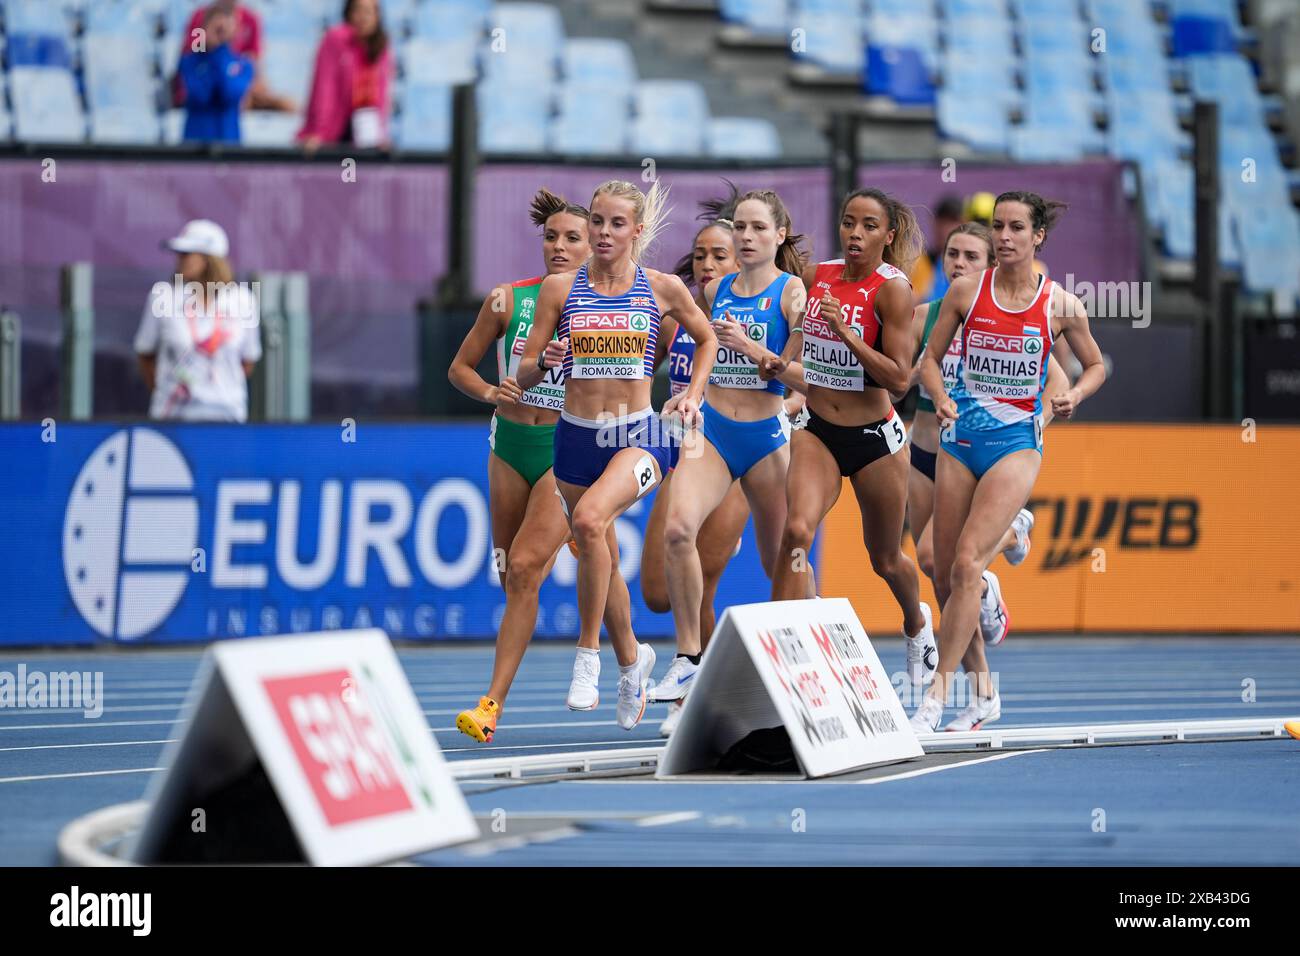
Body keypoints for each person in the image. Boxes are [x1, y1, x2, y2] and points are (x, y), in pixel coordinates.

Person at [512, 180, 717, 731]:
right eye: (598, 222)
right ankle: (633, 661)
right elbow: (524, 371)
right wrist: (548, 359)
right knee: (590, 542)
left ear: (638, 231)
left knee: (587, 520)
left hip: (636, 434)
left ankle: (588, 658)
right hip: (577, 435)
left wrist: (693, 392)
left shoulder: (663, 287)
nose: (604, 233)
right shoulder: (560, 290)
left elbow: (707, 340)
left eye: (616, 224)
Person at [910, 192, 1106, 732]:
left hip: (1016, 442)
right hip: (959, 440)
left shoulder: (1059, 304)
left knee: (968, 562)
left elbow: (1094, 367)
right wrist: (941, 395)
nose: (1004, 236)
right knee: (948, 577)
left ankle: (933, 698)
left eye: (1017, 227)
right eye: (998, 226)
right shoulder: (966, 292)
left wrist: (1074, 397)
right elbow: (929, 360)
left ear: (1038, 236)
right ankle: (982, 694)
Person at [763, 187, 937, 687]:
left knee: (885, 558)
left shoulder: (893, 291)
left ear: (889, 234)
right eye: (848, 222)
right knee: (796, 531)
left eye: (868, 226)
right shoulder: (819, 277)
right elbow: (799, 334)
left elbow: (900, 380)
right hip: (816, 428)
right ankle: (779, 649)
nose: (855, 234)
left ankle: (916, 623)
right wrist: (785, 358)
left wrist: (848, 335)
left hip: (875, 439)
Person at [653, 189, 811, 710]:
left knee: (785, 559)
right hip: (714, 431)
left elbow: (815, 381)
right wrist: (691, 394)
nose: (745, 237)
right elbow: (699, 350)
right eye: (739, 227)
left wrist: (754, 350)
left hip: (767, 439)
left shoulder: (793, 295)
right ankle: (688, 661)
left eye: (757, 228)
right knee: (678, 531)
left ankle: (808, 655)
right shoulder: (716, 288)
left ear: (779, 235)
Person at [449, 189, 590, 743]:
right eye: (551, 237)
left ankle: (491, 705)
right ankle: (633, 649)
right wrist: (490, 390)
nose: (558, 246)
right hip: (509, 444)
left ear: (596, 243)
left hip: (567, 449)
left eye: (571, 237)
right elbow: (459, 367)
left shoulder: (612, 302)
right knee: (511, 575)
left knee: (529, 567)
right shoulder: (508, 299)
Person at [639, 187, 751, 737]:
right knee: (659, 594)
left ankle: (695, 697)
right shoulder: (674, 315)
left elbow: (793, 378)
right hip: (679, 456)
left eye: (720, 256)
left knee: (703, 579)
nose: (707, 265)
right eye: (701, 255)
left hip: (731, 460)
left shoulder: (756, 311)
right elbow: (635, 377)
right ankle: (703, 675)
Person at [134, 220, 260, 422]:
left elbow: (247, 361)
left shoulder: (243, 300)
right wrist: (170, 390)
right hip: (173, 417)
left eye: (186, 254)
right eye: (179, 254)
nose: (178, 260)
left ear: (208, 259)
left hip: (228, 417)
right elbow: (145, 355)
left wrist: (216, 390)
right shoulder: (162, 296)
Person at [298, 0, 392, 151]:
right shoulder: (335, 39)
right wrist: (317, 131)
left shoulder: (381, 46)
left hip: (366, 132)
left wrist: (380, 134)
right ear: (348, 13)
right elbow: (324, 88)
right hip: (334, 129)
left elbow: (381, 95)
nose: (364, 17)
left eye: (369, 12)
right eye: (358, 11)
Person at [173, 1, 296, 112]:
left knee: (288, 104)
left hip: (237, 84)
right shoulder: (200, 17)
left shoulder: (251, 20)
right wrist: (212, 43)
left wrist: (250, 86)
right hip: (204, 83)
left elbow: (253, 61)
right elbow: (192, 59)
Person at [178, 4, 256, 144]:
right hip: (195, 147)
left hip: (229, 146)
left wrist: (220, 50)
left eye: (224, 29)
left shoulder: (243, 66)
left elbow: (228, 94)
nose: (220, 33)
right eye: (216, 29)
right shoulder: (189, 63)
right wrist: (209, 47)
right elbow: (200, 95)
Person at [909, 194, 964, 302]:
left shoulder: (973, 264)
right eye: (942, 221)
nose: (945, 228)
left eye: (952, 222)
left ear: (964, 224)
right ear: (934, 223)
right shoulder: (921, 262)